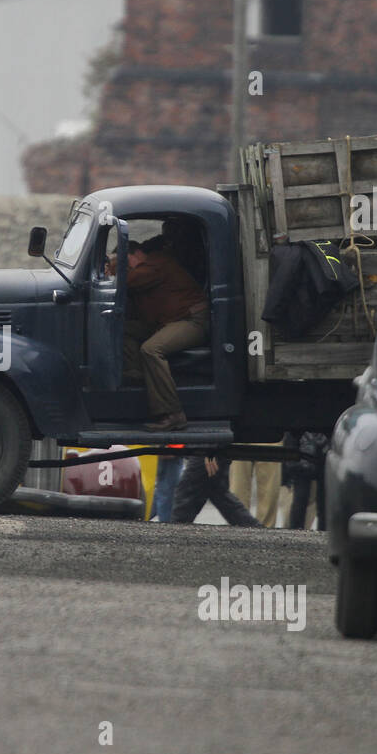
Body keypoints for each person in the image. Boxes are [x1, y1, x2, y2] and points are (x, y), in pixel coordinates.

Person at [119, 221, 210, 432]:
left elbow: (128, 280)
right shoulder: (152, 264)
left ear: (136, 253)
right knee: (123, 329)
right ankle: (140, 377)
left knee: (151, 349)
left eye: (127, 260)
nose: (129, 265)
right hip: (172, 321)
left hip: (193, 320)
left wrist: (116, 265)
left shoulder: (157, 263)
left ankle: (173, 413)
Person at [171, 454, 262, 526]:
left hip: (208, 450)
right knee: (219, 495)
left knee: (186, 498)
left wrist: (208, 451)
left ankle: (173, 536)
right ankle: (255, 529)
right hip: (211, 448)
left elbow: (212, 430)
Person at [283, 432, 329, 530]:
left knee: (318, 500)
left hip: (304, 448)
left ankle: (296, 530)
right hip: (312, 453)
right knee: (303, 498)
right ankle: (322, 532)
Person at [149, 452, 184, 523]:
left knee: (162, 492)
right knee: (167, 494)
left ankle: (142, 516)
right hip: (170, 450)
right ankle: (166, 524)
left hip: (168, 451)